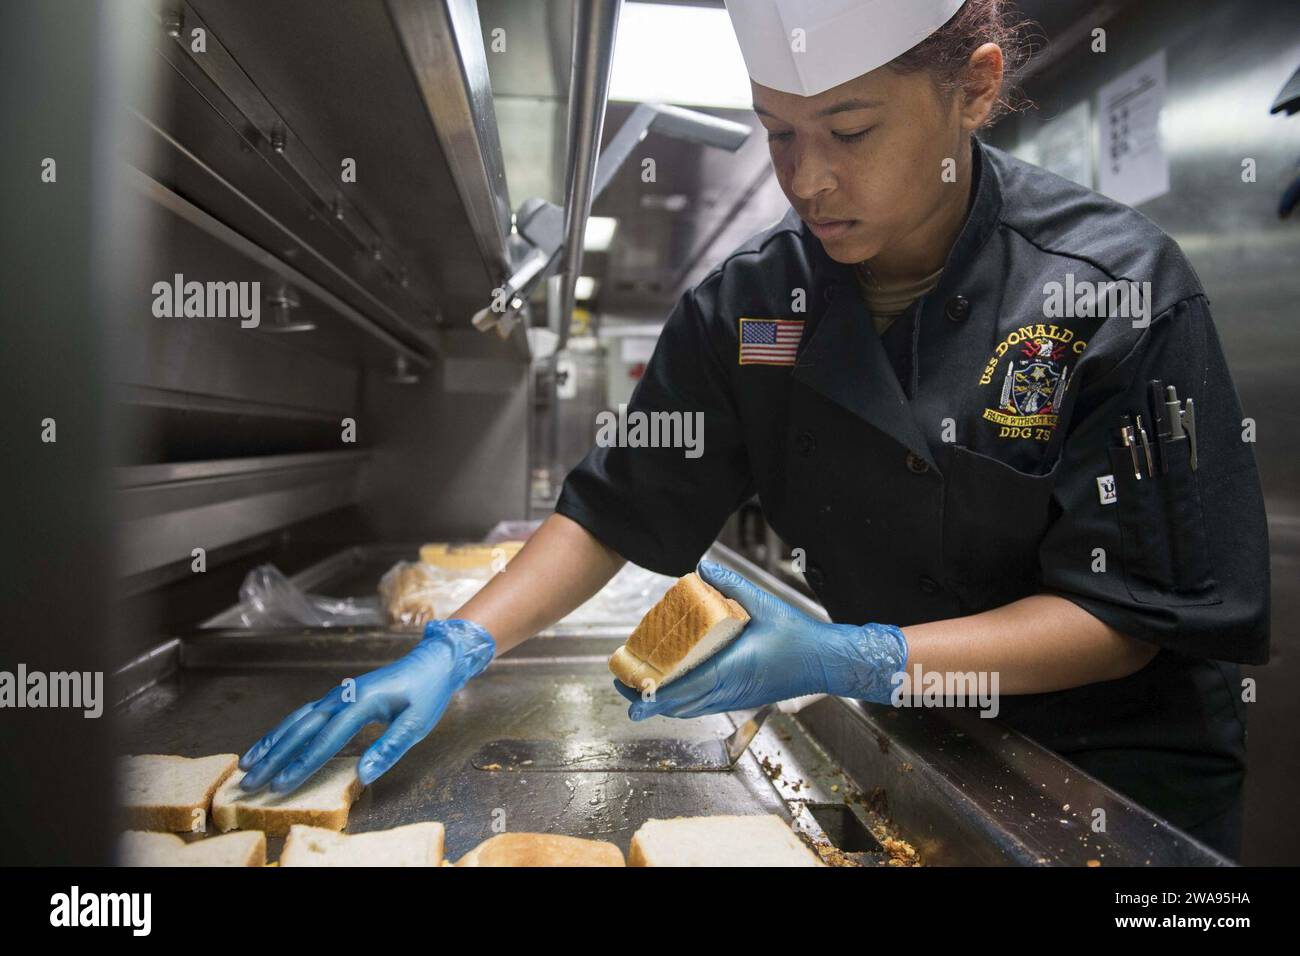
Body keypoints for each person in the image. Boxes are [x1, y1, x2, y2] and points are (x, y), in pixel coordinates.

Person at [236, 0, 1269, 859]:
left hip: (1110, 784)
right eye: (777, 132)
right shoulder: (752, 307)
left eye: (849, 131)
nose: (807, 178)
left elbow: (1127, 621)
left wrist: (855, 653)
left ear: (975, 86)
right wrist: (459, 644)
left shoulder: (1110, 291)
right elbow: (616, 505)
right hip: (911, 750)